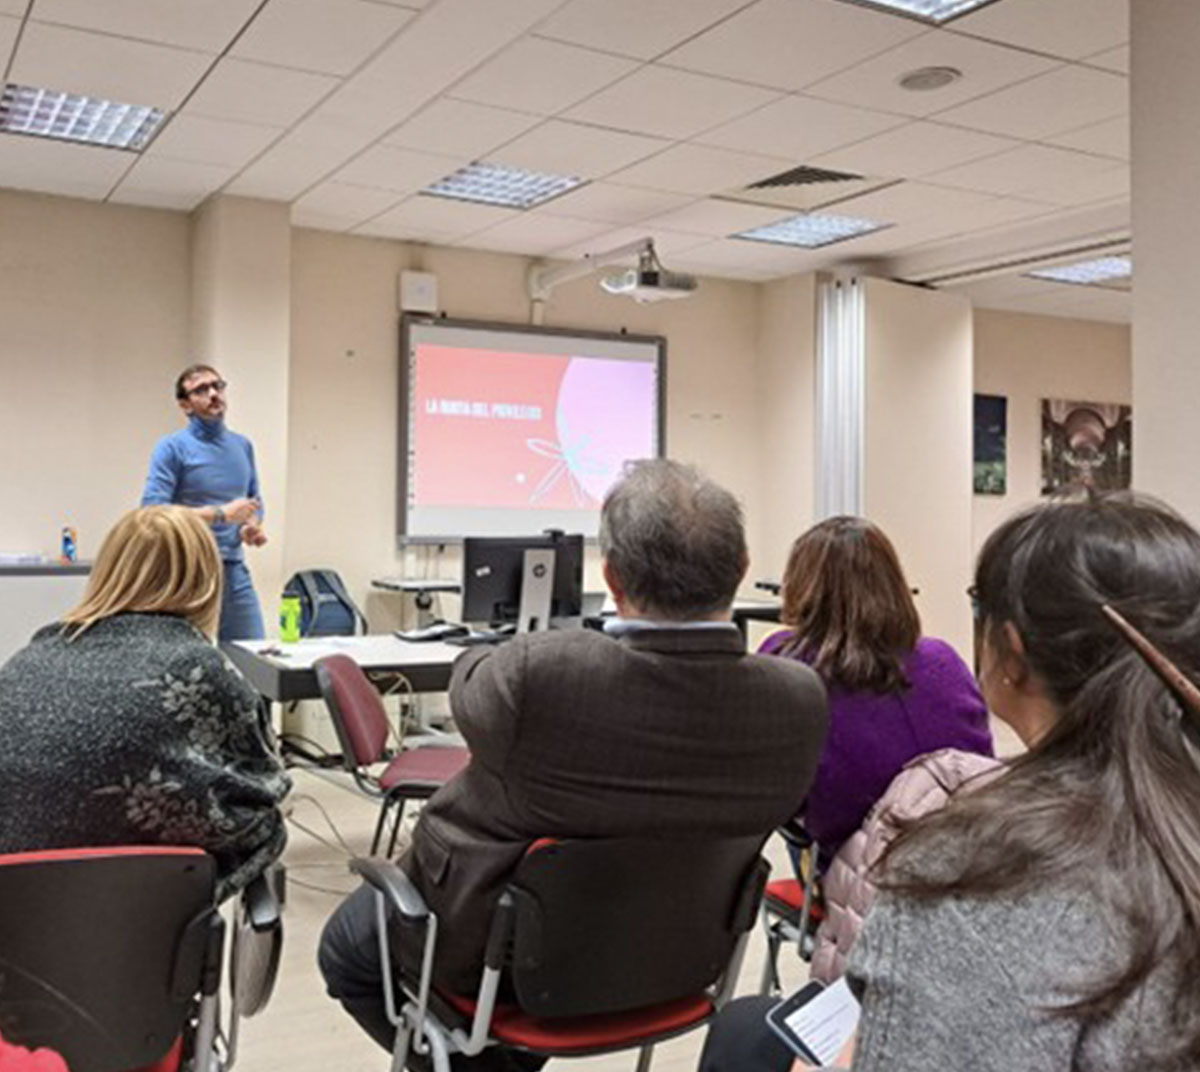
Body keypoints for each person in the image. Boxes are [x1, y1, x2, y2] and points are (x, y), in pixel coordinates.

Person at [318, 459, 830, 1053]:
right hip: (675, 961)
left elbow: (468, 681)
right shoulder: (797, 698)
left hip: (497, 958)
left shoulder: (542, 675)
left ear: (611, 579)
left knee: (345, 951)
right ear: (740, 570)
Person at [700, 492, 1200, 1072]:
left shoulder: (956, 879)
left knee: (744, 1029)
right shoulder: (938, 663)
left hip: (843, 868)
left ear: (1010, 652)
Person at [0, 505, 290, 900]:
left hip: (22, 925)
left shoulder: (26, 660)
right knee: (262, 823)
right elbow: (264, 784)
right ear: (206, 578)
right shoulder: (200, 666)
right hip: (144, 930)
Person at [759, 516, 992, 869]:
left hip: (850, 871)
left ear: (800, 586)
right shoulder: (943, 659)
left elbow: (770, 781)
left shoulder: (783, 661)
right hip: (961, 862)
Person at [142, 364, 268, 641]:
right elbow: (153, 513)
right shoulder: (172, 447)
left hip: (233, 569)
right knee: (184, 664)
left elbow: (253, 500)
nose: (213, 394)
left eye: (217, 386)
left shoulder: (242, 445)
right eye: (201, 390)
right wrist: (221, 515)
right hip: (187, 570)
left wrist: (250, 526)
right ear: (185, 405)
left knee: (254, 656)